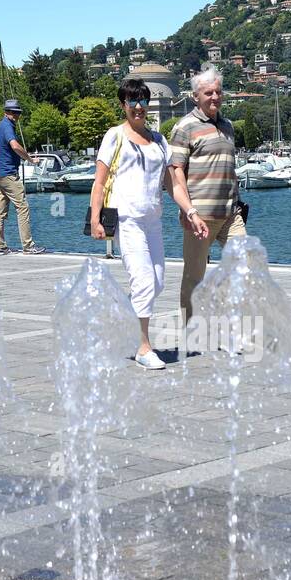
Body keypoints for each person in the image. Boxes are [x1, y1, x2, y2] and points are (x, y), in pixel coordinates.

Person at [90, 78, 207, 369]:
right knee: (143, 282)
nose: (139, 107)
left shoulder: (159, 141)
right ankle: (143, 347)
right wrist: (95, 218)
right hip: (127, 219)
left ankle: (126, 320)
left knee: (156, 282)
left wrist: (191, 212)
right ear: (124, 105)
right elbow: (100, 181)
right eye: (132, 101)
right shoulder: (114, 136)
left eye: (143, 101)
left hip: (153, 221)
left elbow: (173, 184)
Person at [168, 64, 245, 331]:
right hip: (198, 217)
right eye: (208, 93)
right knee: (193, 277)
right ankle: (192, 329)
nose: (214, 97)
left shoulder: (228, 126)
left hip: (230, 215)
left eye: (218, 92)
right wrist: (188, 211)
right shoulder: (184, 127)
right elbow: (176, 173)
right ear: (196, 97)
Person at [0, 99, 45, 255]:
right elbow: (14, 145)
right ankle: (28, 246)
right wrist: (30, 159)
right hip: (8, 174)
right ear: (7, 113)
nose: (16, 116)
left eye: (18, 113)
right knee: (22, 208)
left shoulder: (2, 125)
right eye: (14, 112)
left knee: (0, 212)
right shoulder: (7, 126)